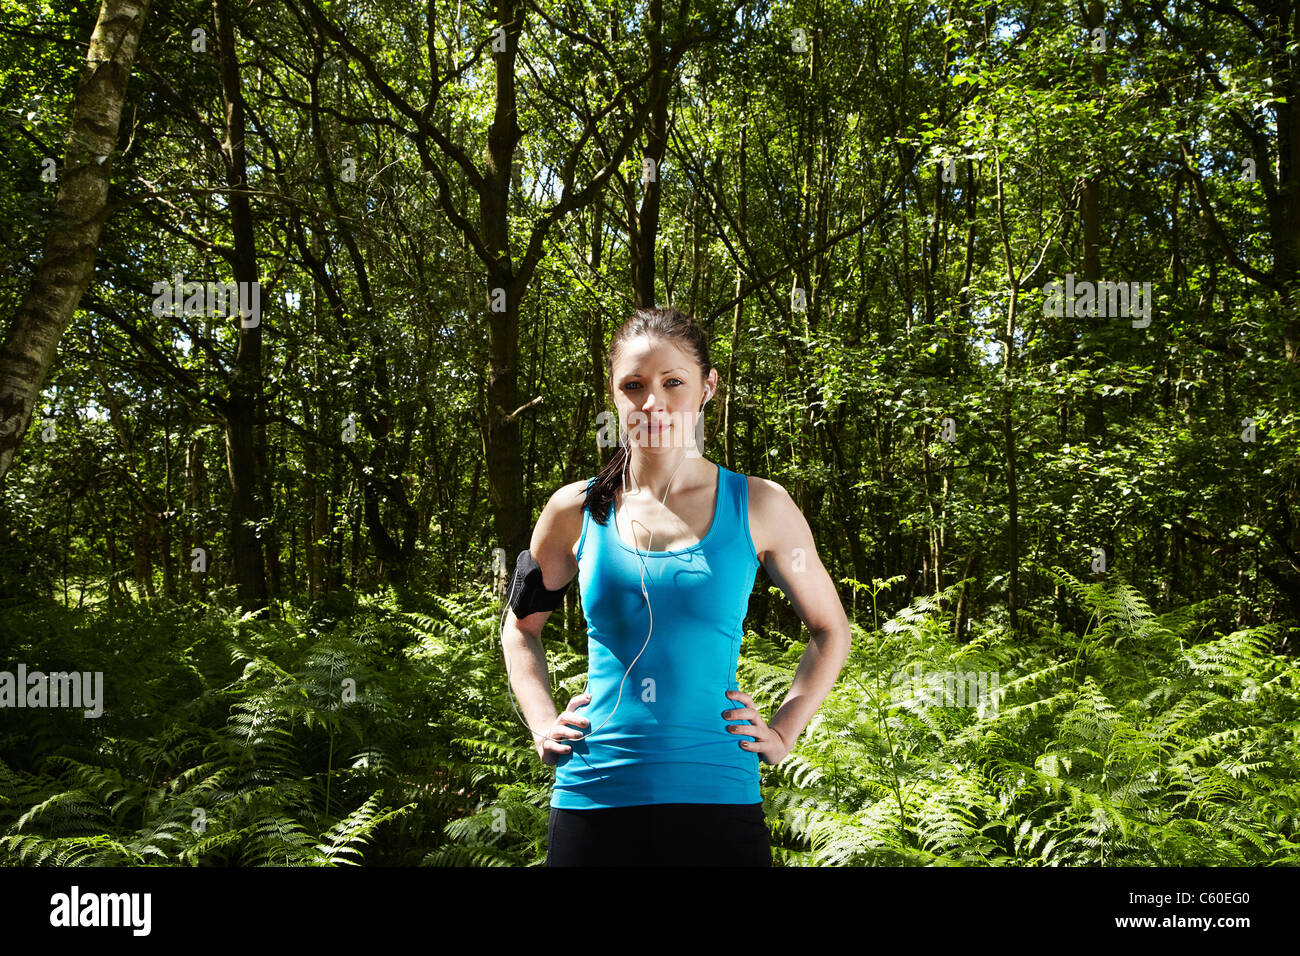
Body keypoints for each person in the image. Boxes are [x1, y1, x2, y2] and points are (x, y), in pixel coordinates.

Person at [500, 306, 851, 866]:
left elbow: (830, 629)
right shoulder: (574, 509)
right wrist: (543, 723)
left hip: (718, 795)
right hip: (594, 796)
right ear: (614, 392)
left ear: (707, 387)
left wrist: (784, 731)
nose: (652, 403)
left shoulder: (760, 505)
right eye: (634, 385)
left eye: (673, 383)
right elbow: (520, 629)